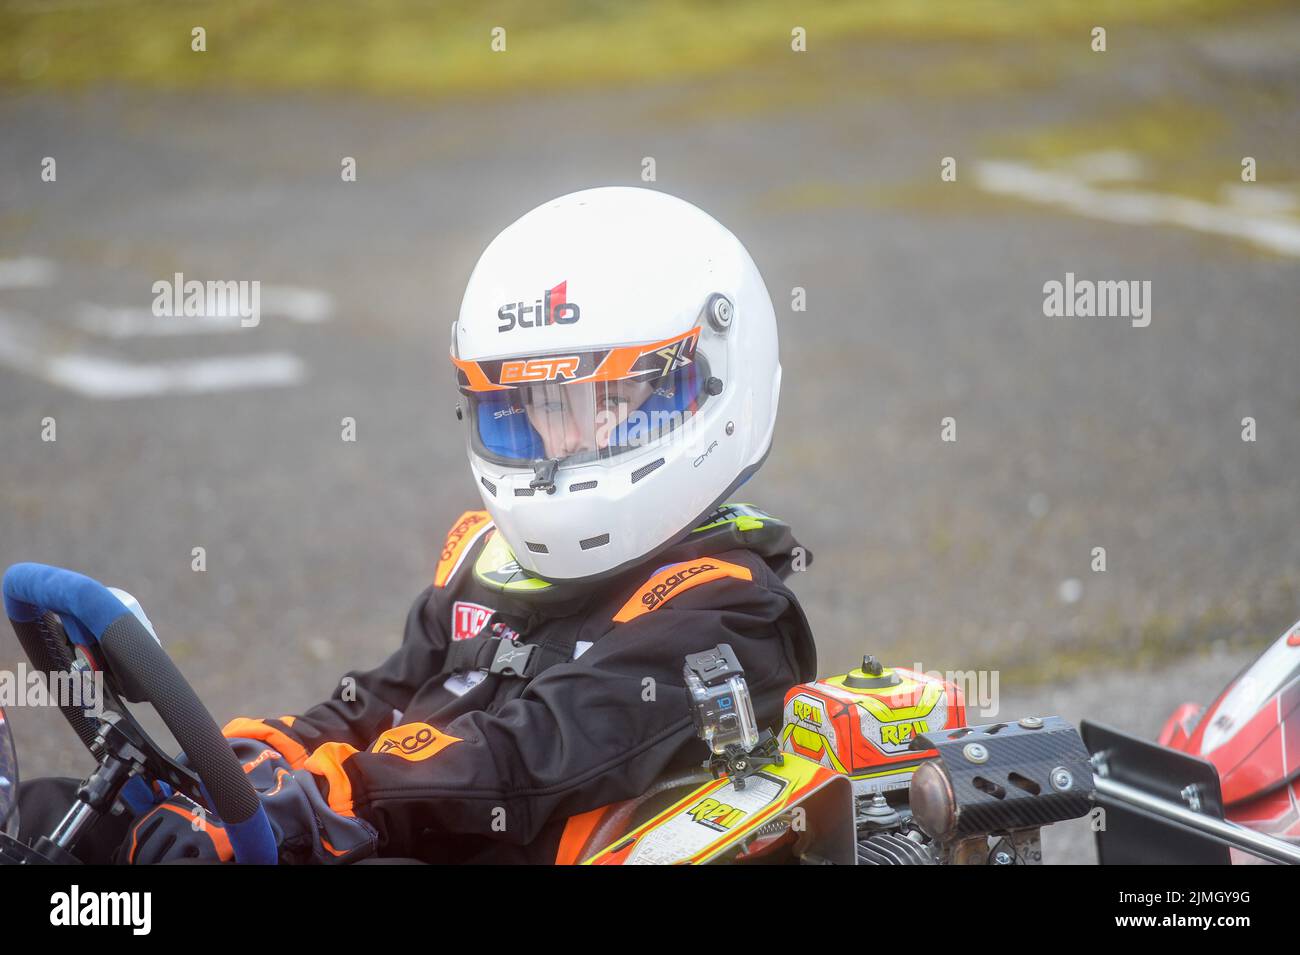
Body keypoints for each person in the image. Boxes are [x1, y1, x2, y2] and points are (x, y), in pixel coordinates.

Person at [109, 186, 818, 863]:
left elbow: (526, 753)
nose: (564, 439)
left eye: (607, 397)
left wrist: (331, 793)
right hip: (400, 831)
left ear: (710, 379)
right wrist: (267, 756)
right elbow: (384, 697)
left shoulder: (725, 610)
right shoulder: (490, 559)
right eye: (539, 402)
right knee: (73, 818)